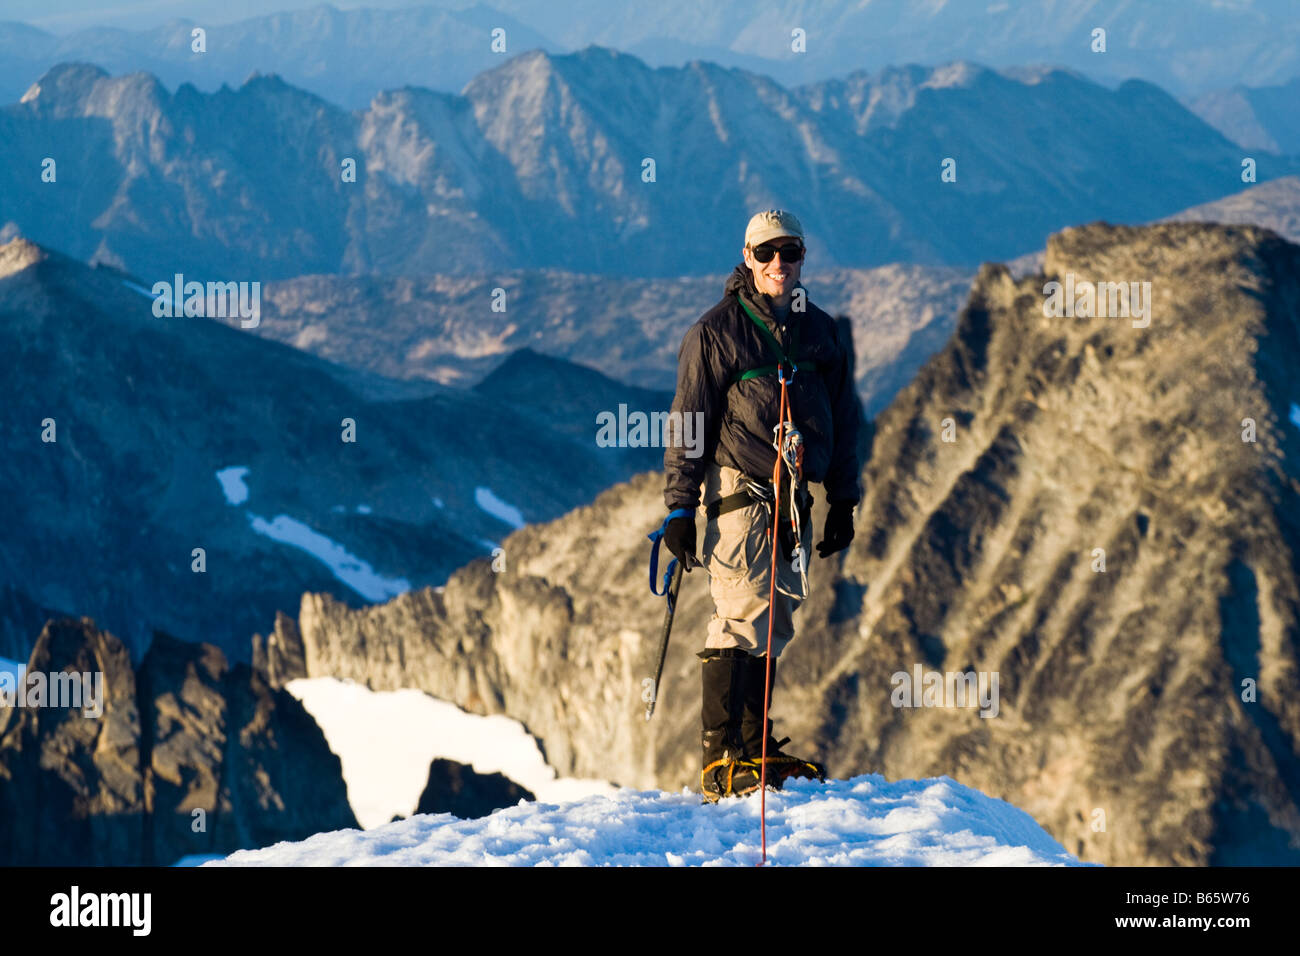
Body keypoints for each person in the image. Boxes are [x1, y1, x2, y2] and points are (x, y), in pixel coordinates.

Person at [660, 208, 863, 802]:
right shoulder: (715, 332)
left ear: (802, 257)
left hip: (793, 495)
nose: (780, 263)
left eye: (791, 252)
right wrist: (679, 507)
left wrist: (844, 498)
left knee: (777, 614)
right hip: (739, 488)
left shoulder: (818, 332)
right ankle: (723, 758)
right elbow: (690, 424)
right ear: (747, 258)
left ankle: (754, 748)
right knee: (743, 609)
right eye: (767, 252)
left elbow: (843, 419)